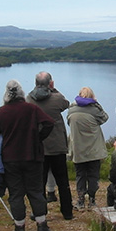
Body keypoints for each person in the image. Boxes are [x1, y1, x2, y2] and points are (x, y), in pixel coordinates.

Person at [0, 80, 55, 231]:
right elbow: (49, 123)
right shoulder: (31, 109)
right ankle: (42, 227)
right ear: (21, 93)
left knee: (16, 194)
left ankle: (19, 229)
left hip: (10, 159)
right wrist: (38, 138)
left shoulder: (2, 112)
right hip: (32, 156)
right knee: (36, 191)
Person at [25, 71, 74, 220]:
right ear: (50, 83)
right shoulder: (57, 98)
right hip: (57, 145)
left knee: (40, 182)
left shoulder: (29, 99)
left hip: (39, 146)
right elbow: (66, 104)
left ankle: (40, 212)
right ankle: (67, 212)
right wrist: (53, 89)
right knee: (62, 181)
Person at [66, 86, 108, 209]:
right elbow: (105, 118)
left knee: (80, 174)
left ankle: (80, 201)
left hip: (78, 148)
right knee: (93, 174)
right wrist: (97, 103)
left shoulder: (71, 110)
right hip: (94, 149)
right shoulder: (94, 110)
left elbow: (69, 122)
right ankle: (92, 200)